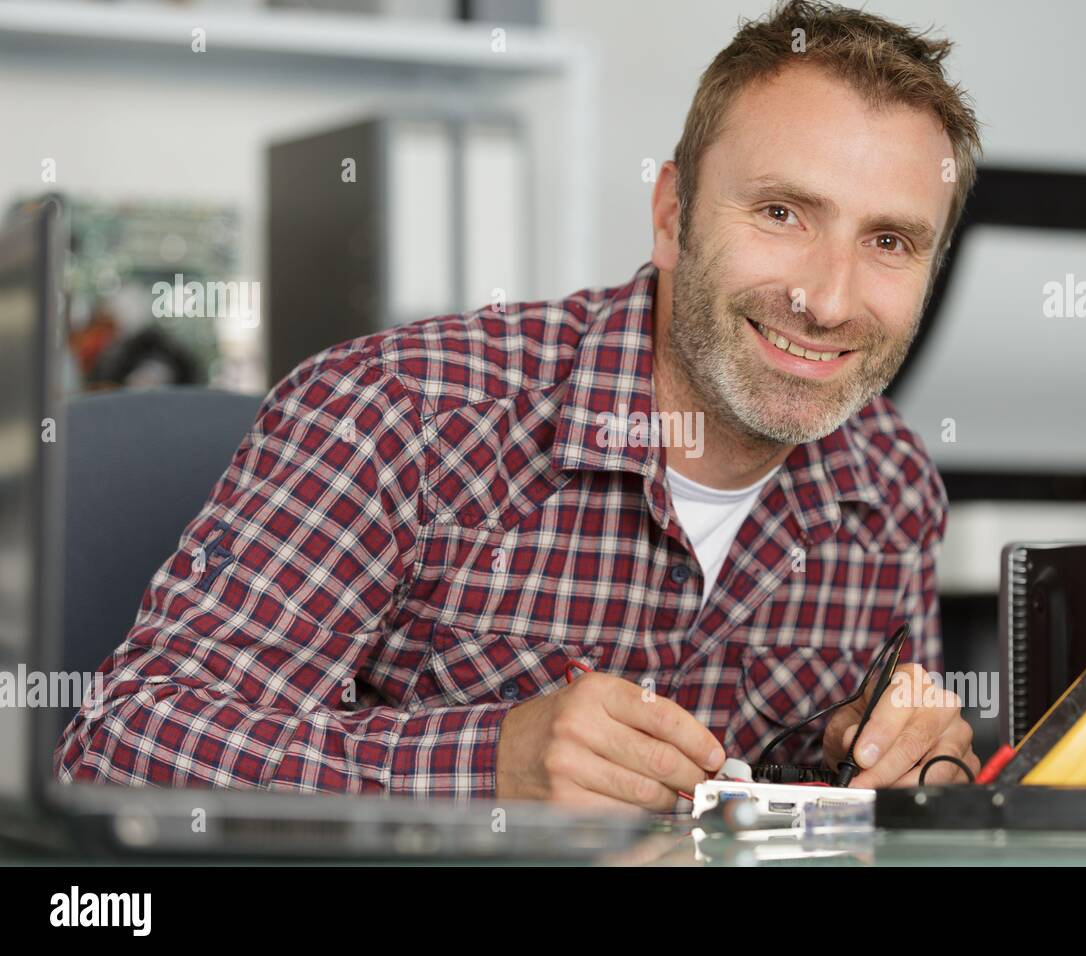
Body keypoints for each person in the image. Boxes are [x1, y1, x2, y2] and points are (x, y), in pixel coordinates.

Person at [57, 0, 983, 811]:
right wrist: (488, 764)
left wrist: (884, 764)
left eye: (891, 241)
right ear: (671, 217)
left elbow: (775, 800)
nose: (828, 298)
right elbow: (121, 749)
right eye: (782, 213)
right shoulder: (400, 413)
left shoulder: (890, 483)